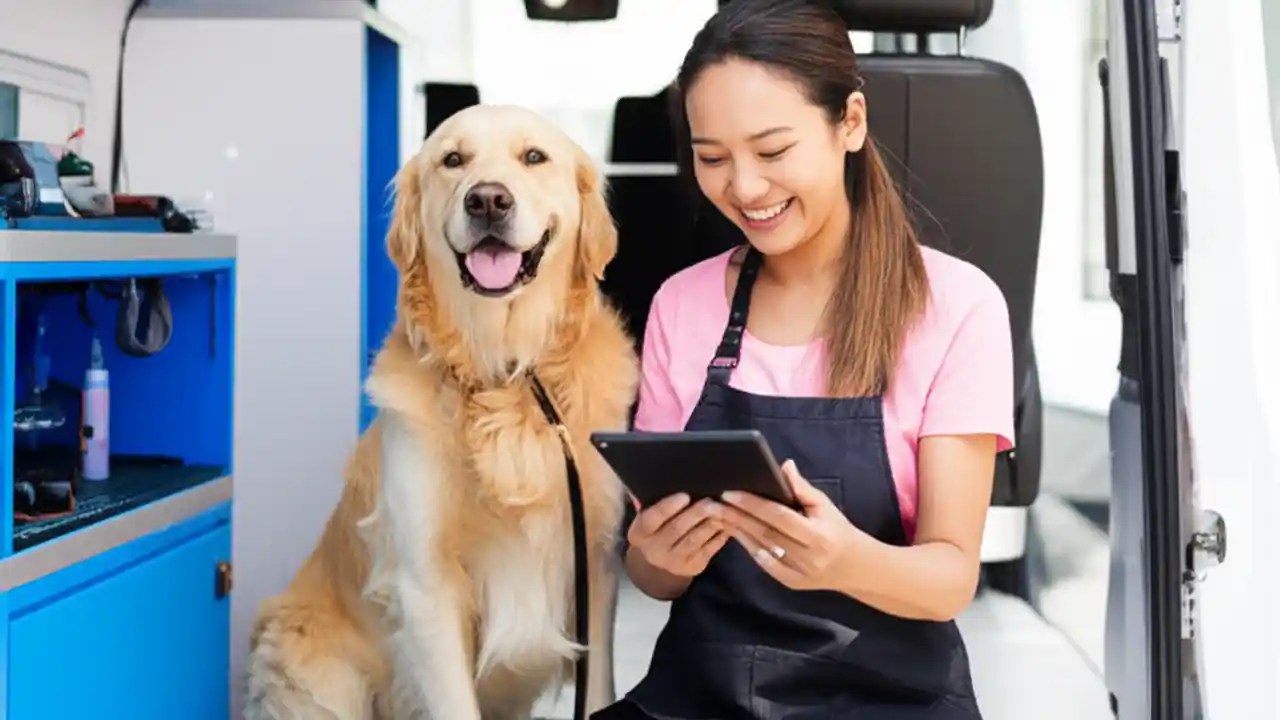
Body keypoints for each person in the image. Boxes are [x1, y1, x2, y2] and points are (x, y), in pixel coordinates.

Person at [590, 0, 1015, 718]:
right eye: (712, 158)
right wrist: (656, 559)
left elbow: (949, 575)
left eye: (773, 150)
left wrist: (844, 561)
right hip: (703, 693)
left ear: (850, 122)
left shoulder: (957, 305)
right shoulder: (681, 304)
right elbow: (652, 575)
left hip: (890, 698)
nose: (745, 189)